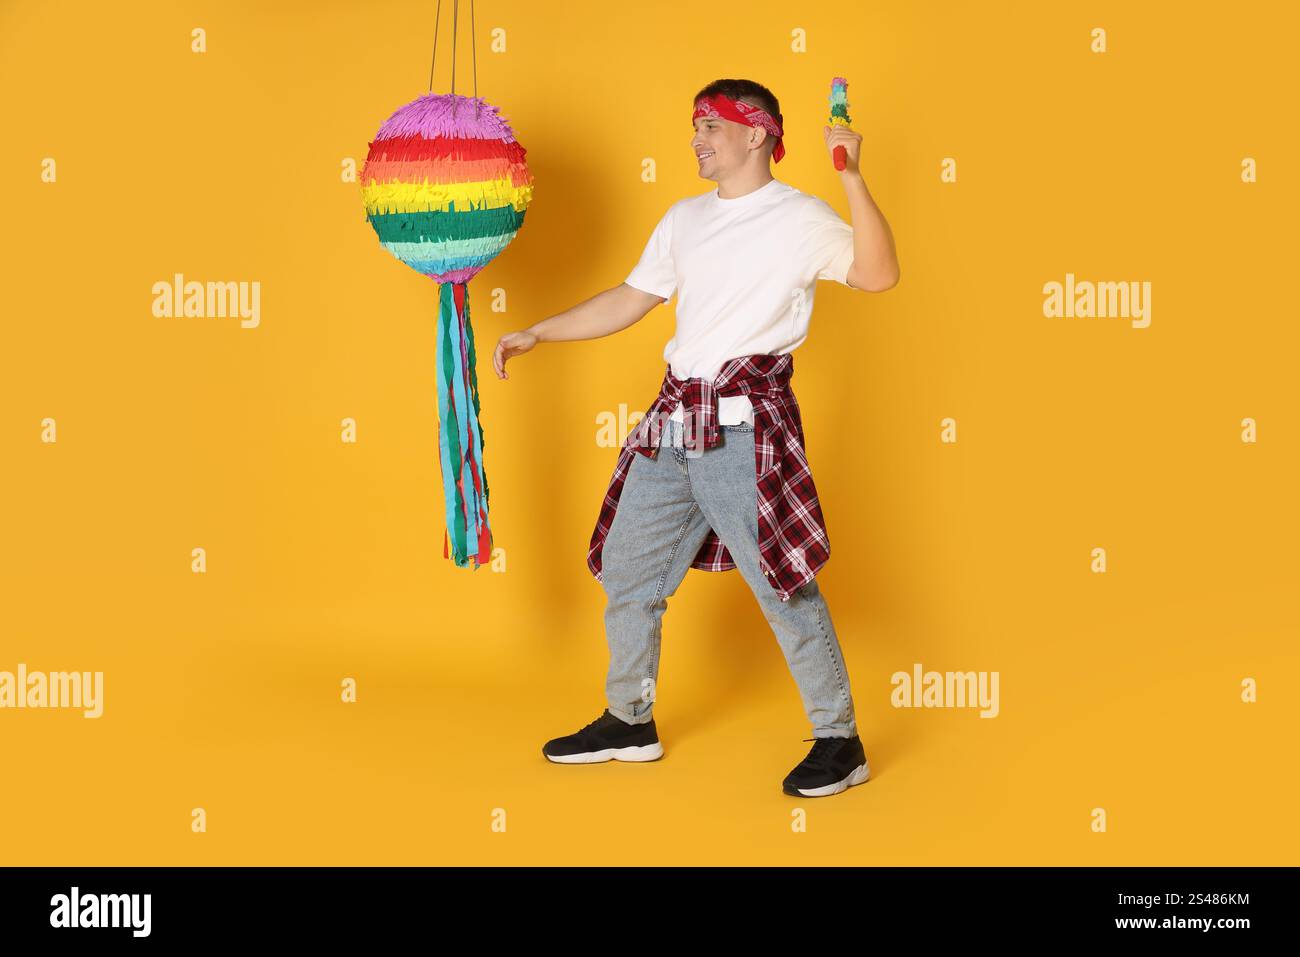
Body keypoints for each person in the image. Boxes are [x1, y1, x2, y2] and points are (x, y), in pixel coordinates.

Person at [492, 78, 900, 797]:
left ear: (758, 134)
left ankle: (840, 738)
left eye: (711, 125)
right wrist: (538, 331)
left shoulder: (800, 218)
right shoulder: (683, 219)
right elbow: (630, 299)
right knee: (627, 572)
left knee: (781, 582)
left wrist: (854, 177)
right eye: (693, 126)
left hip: (745, 431)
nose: (697, 138)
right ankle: (630, 720)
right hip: (673, 423)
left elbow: (877, 273)